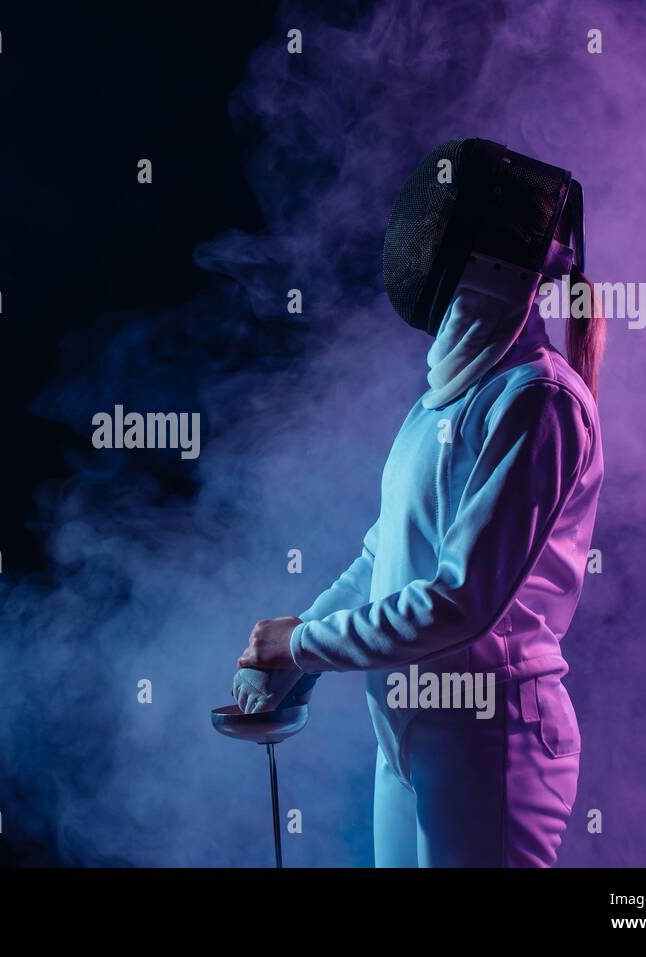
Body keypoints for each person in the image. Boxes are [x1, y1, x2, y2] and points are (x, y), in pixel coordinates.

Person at [232, 140, 605, 867]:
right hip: (408, 732)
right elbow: (382, 558)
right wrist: (297, 648)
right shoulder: (442, 402)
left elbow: (461, 601)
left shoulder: (540, 400)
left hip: (493, 741)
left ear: (483, 262)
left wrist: (303, 645)